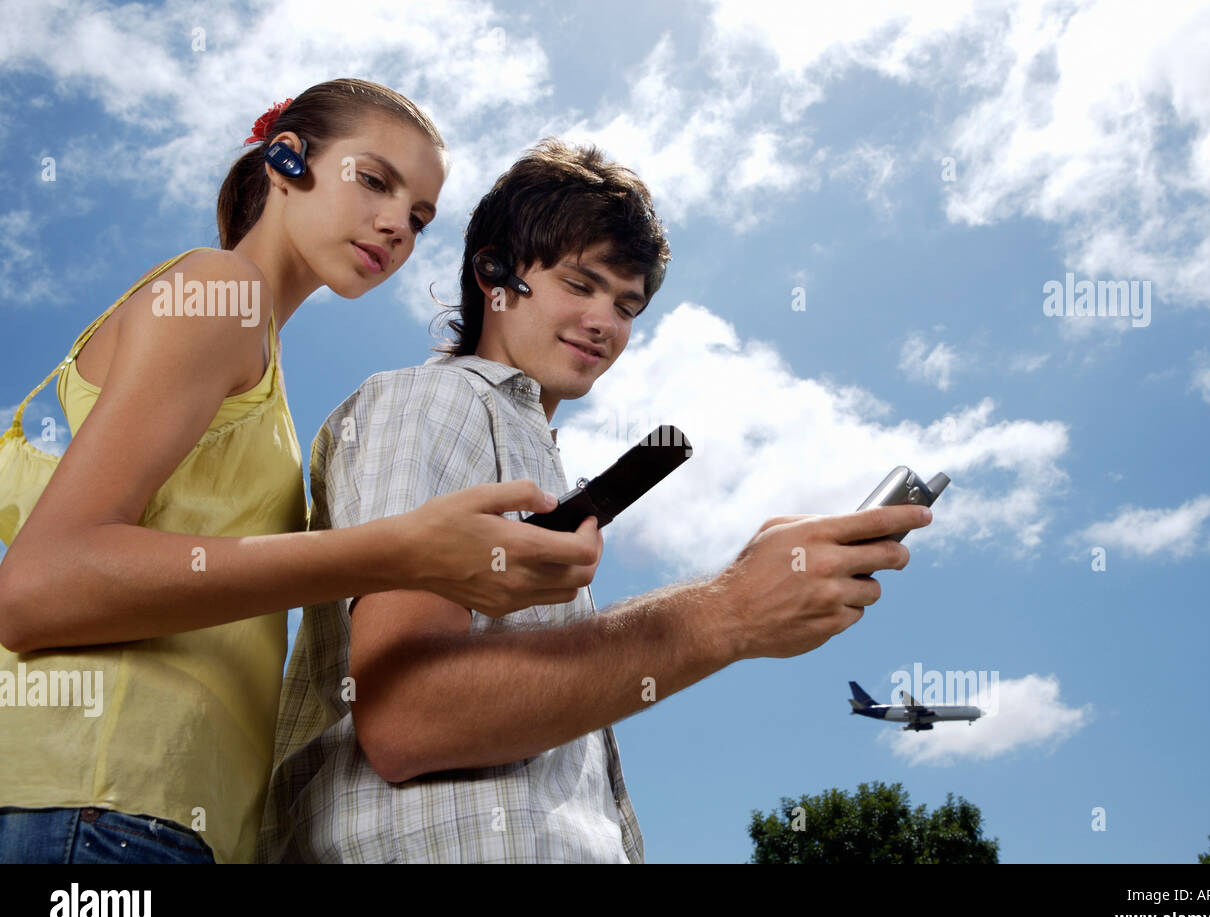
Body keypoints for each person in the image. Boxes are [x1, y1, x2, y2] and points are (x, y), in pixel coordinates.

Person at [258, 138, 933, 863]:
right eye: (580, 285)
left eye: (626, 303)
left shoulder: (525, 451)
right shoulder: (435, 402)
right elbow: (407, 718)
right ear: (493, 274)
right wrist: (730, 609)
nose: (606, 323)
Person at [0, 80, 603, 865]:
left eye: (419, 217)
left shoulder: (251, 351)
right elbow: (37, 587)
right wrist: (404, 550)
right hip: (97, 808)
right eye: (374, 180)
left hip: (141, 817)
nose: (397, 225)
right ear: (286, 161)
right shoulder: (219, 294)